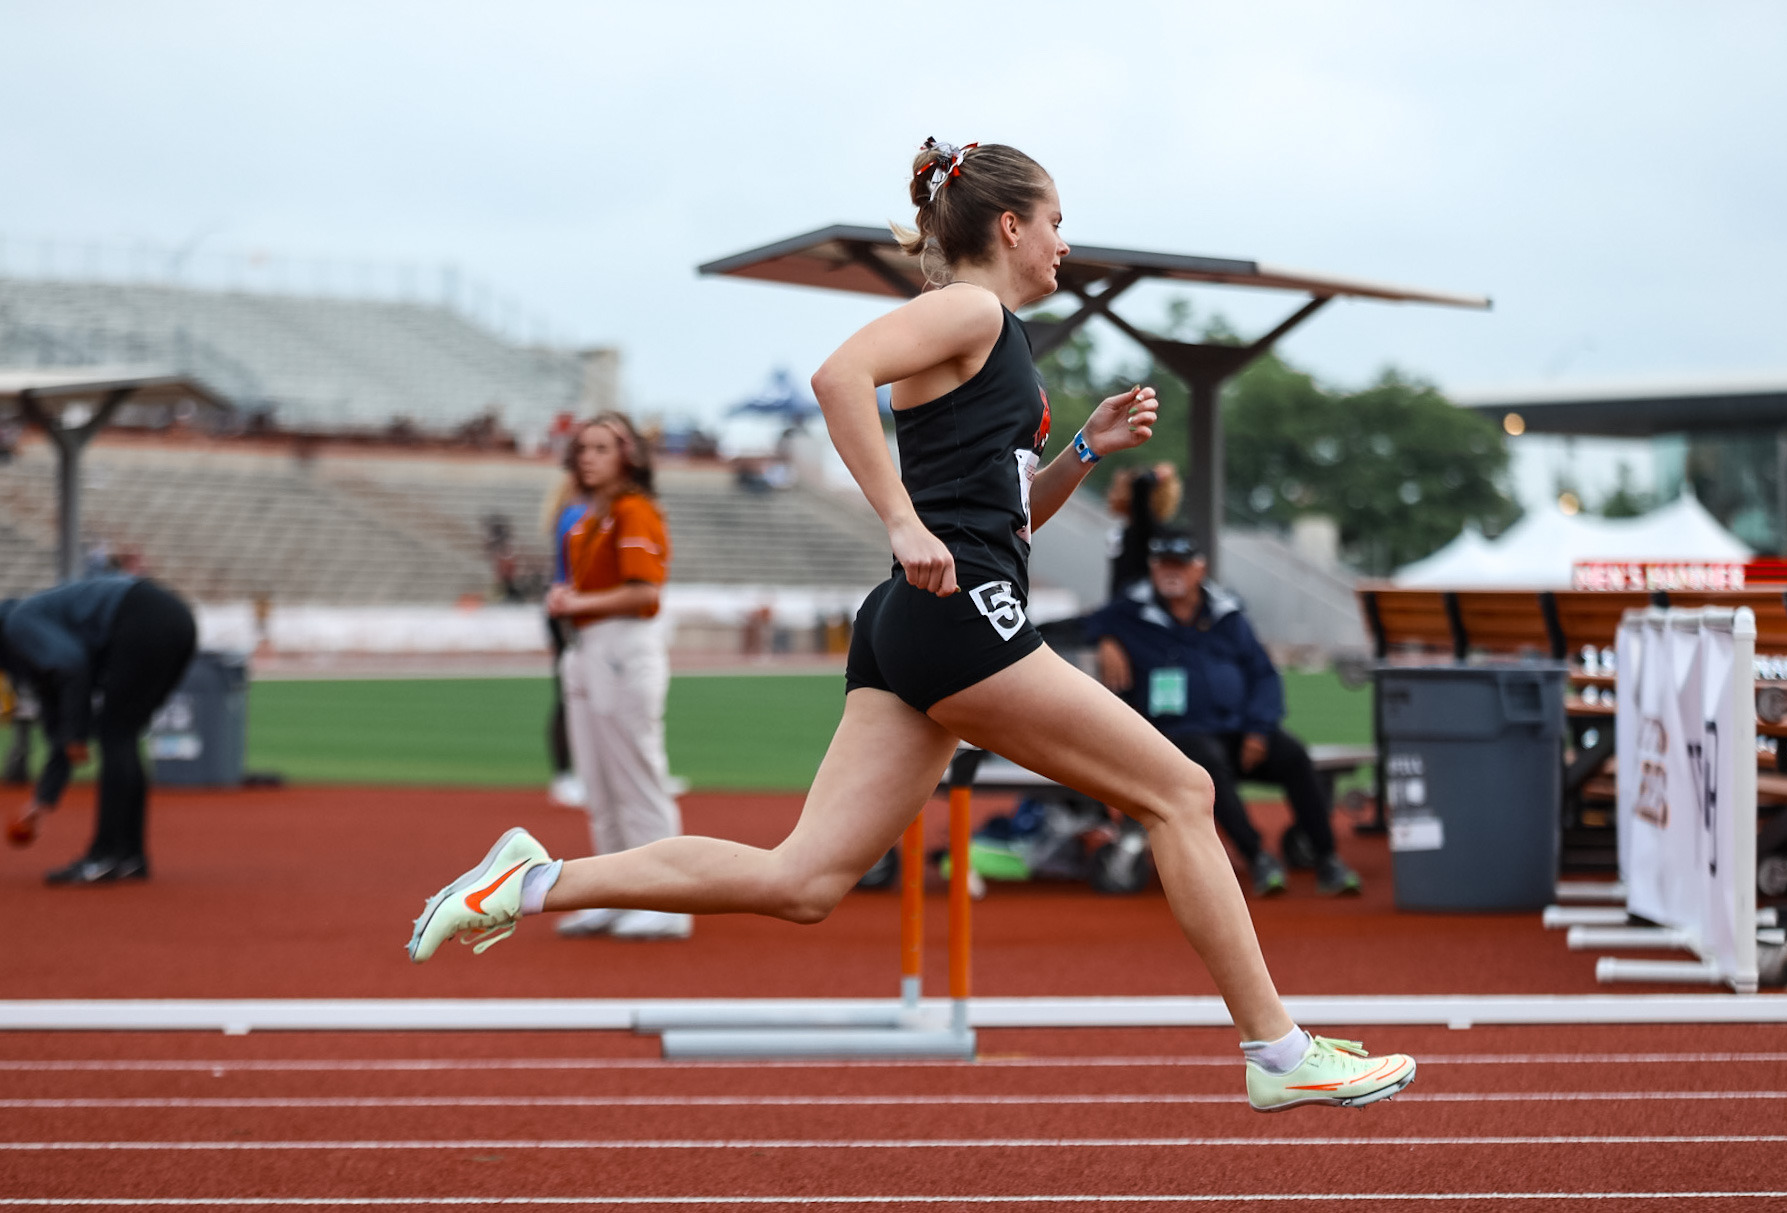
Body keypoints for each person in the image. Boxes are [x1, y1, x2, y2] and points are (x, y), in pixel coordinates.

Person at [407, 138, 1414, 1112]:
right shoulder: (968, 308)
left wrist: (1081, 451)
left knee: (801, 879)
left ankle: (533, 881)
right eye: (1058, 223)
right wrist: (898, 517)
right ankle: (1278, 1050)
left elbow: (1010, 515)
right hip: (956, 610)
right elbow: (839, 376)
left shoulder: (992, 335)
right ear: (1012, 225)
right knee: (1182, 791)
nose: (1066, 243)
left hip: (916, 616)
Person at [1089, 530, 1362, 898]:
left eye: (1180, 565)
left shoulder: (1228, 615)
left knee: (1294, 755)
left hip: (1240, 732)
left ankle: (1327, 857)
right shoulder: (1128, 613)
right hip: (1176, 738)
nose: (1172, 572)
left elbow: (1264, 675)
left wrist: (1260, 731)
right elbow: (1079, 626)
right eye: (1163, 565)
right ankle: (1257, 856)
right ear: (1152, 569)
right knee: (1206, 763)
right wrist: (1104, 639)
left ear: (1199, 569)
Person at [543, 412, 691, 941]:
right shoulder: (587, 516)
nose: (588, 456)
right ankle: (611, 893)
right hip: (588, 646)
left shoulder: (634, 511)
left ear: (627, 456)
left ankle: (667, 900)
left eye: (602, 447)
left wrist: (577, 600)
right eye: (583, 447)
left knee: (636, 777)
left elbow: (645, 593)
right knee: (599, 784)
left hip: (622, 644)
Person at [1, 575, 197, 883]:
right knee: (122, 733)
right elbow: (61, 725)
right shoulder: (29, 645)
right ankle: (130, 856)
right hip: (174, 620)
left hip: (141, 616)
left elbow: (72, 667)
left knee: (116, 733)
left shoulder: (19, 623)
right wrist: (43, 799)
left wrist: (77, 735)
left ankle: (104, 855)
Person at [539, 449, 591, 810]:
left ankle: (574, 774)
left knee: (580, 695)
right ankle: (563, 775)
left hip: (573, 608)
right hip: (571, 611)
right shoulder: (577, 514)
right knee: (570, 695)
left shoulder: (571, 511)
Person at [1105, 461, 1180, 599]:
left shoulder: (1147, 529)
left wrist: (1157, 475)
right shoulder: (1130, 529)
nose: (1110, 492)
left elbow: (1141, 485)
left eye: (1118, 488)